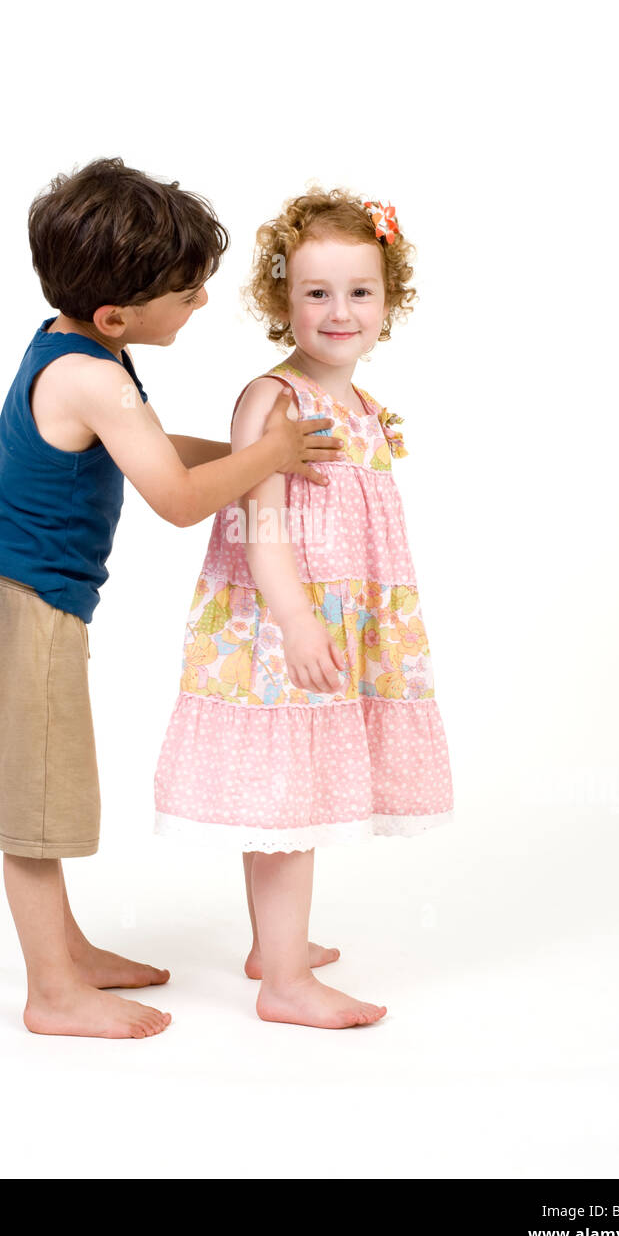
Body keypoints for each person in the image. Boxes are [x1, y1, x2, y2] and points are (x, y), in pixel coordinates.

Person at [0, 158, 342, 1040]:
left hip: (0, 601)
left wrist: (250, 445)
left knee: (36, 803)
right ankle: (52, 994)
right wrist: (267, 459)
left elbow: (148, 447)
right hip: (25, 615)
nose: (200, 300)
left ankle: (69, 954)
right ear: (117, 315)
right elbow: (171, 500)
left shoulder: (78, 347)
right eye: (186, 291)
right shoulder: (97, 374)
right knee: (38, 819)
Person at [154, 187, 454, 1029]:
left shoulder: (359, 405)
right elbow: (259, 518)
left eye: (359, 291)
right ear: (279, 300)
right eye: (315, 292)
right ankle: (283, 980)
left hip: (338, 618)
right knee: (289, 794)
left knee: (309, 786)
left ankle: (273, 945)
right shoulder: (275, 398)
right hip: (283, 624)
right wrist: (292, 616)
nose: (338, 310)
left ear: (388, 300)